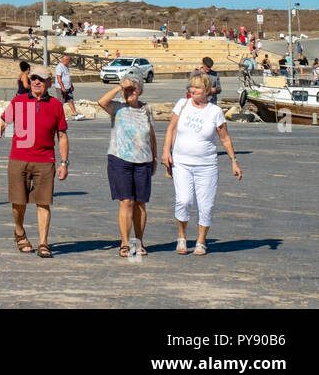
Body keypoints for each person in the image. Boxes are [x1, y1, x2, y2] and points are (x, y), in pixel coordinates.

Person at [0, 68, 69, 257]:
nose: (36, 82)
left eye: (41, 79)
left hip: (45, 160)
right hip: (19, 159)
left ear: (49, 82)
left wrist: (64, 162)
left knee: (43, 203)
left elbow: (62, 135)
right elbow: (2, 124)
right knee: (18, 202)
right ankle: (19, 232)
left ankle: (43, 243)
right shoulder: (19, 101)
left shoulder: (56, 105)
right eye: (33, 78)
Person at [162, 73, 242, 255]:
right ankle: (181, 237)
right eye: (191, 87)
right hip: (181, 163)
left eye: (197, 88)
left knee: (206, 205)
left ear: (207, 90)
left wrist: (234, 161)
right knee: (183, 201)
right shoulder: (182, 104)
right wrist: (166, 151)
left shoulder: (215, 112)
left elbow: (225, 138)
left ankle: (201, 240)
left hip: (206, 165)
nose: (192, 90)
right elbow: (171, 129)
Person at [100, 74, 158, 257]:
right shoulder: (118, 107)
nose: (129, 93)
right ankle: (125, 243)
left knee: (140, 203)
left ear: (140, 90)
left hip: (143, 160)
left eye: (133, 89)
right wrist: (119, 87)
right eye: (127, 90)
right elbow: (101, 102)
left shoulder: (146, 109)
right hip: (120, 160)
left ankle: (138, 242)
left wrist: (155, 157)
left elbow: (152, 135)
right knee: (126, 201)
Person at [54, 55, 82, 120]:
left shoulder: (66, 67)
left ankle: (76, 114)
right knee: (61, 102)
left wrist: (71, 85)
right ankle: (59, 116)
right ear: (65, 60)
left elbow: (67, 77)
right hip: (61, 87)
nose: (70, 62)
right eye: (69, 60)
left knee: (70, 100)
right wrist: (62, 87)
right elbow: (58, 78)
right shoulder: (59, 67)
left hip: (68, 87)